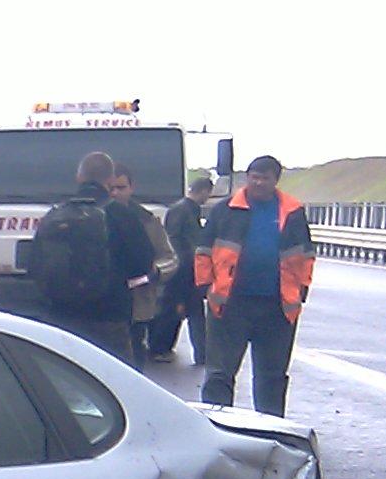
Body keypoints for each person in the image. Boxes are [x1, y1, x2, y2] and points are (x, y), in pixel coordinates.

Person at [198, 155, 313, 416]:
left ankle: (270, 431)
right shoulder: (225, 209)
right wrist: (205, 287)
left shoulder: (292, 213)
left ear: (276, 181)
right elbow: (203, 250)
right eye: (254, 177)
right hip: (229, 306)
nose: (258, 183)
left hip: (277, 308)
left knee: (271, 378)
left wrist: (300, 291)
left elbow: (305, 256)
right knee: (219, 375)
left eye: (264, 178)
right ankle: (215, 425)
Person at [30, 150, 153, 363]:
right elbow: (143, 264)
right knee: (116, 381)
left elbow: (33, 265)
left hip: (61, 316)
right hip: (109, 317)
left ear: (79, 178)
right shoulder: (120, 214)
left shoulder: (56, 214)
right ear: (110, 180)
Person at [107, 165, 176, 364]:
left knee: (133, 359)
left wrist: (156, 272)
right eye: (112, 188)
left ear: (131, 188)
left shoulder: (147, 220)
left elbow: (170, 257)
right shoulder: (94, 216)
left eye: (121, 187)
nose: (116, 193)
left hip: (137, 305)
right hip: (102, 307)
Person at [150, 175, 215, 363]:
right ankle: (162, 348)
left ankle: (200, 353)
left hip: (186, 269)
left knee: (185, 312)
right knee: (177, 312)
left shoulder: (182, 209)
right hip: (184, 270)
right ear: (204, 191)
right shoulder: (185, 210)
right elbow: (176, 240)